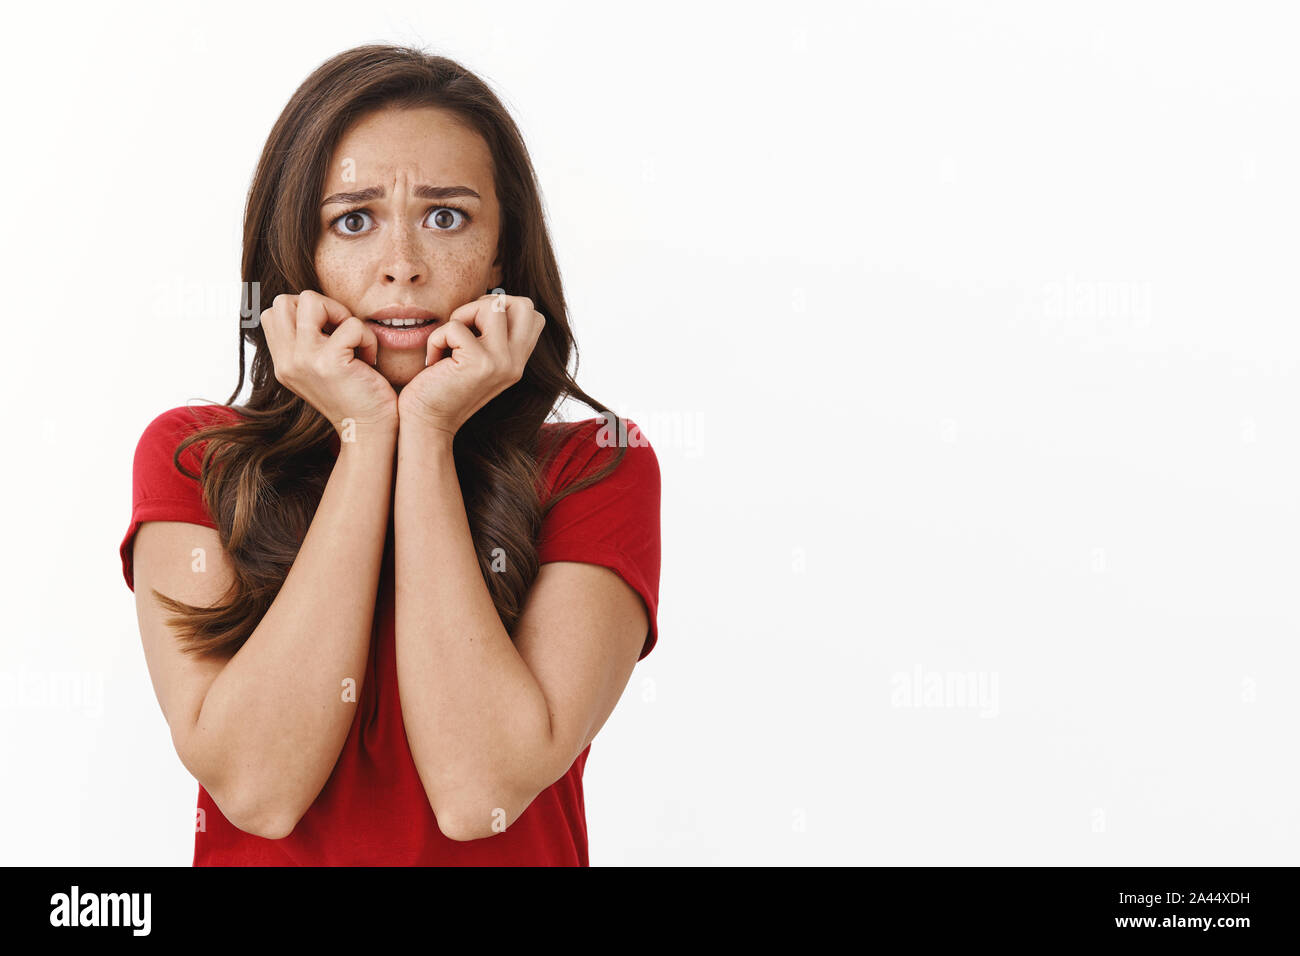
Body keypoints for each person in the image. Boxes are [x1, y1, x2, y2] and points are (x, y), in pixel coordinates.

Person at [118, 44, 661, 866]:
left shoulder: (598, 465)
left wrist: (431, 431)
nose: (401, 267)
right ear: (294, 257)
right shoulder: (195, 461)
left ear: (500, 259)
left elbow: (481, 794)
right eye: (353, 219)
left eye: (446, 217)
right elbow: (259, 791)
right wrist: (368, 432)